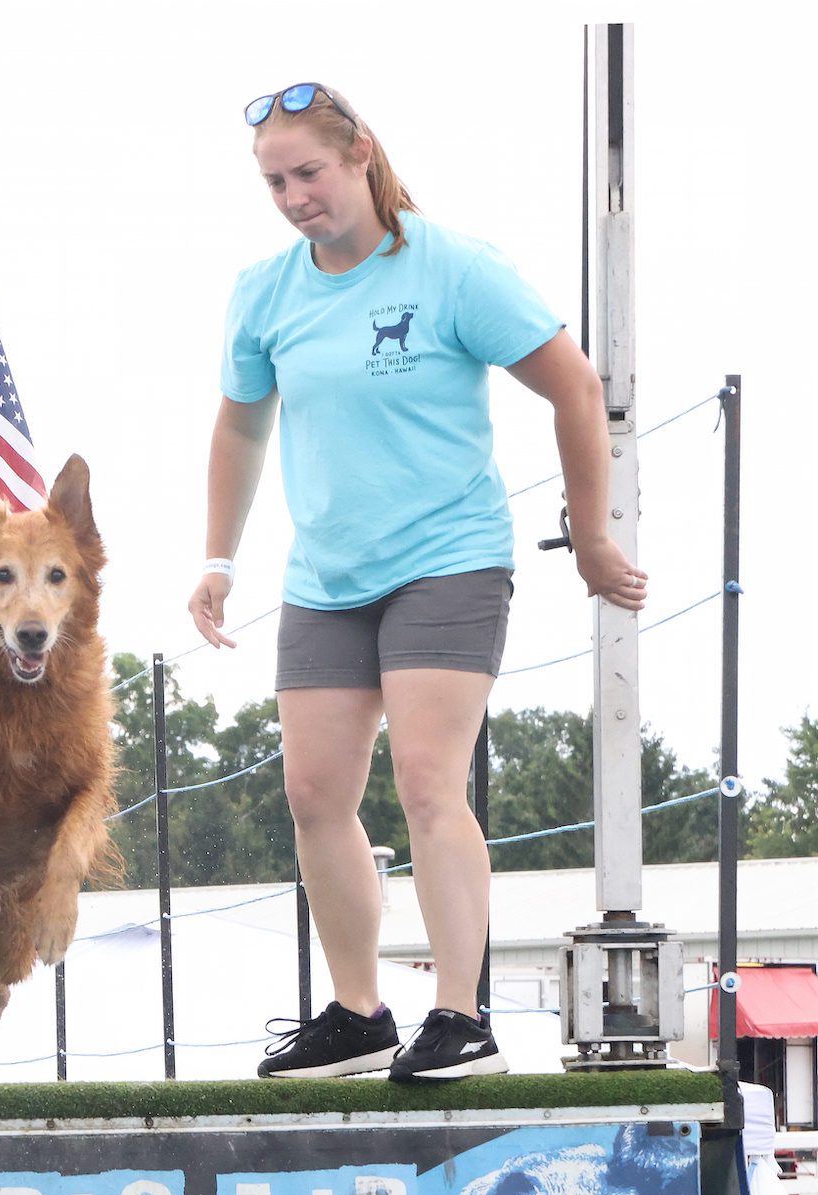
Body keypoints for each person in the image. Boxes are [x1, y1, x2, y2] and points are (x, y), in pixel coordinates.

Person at [187, 83, 647, 1082]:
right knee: (312, 794)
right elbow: (240, 424)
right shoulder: (265, 292)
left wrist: (592, 532)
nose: (294, 196)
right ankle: (359, 1016)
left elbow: (573, 385)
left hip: (448, 557)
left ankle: (460, 1016)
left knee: (429, 782)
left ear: (359, 156)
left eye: (308, 173)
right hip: (327, 575)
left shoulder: (449, 268)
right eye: (274, 182)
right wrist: (219, 559)